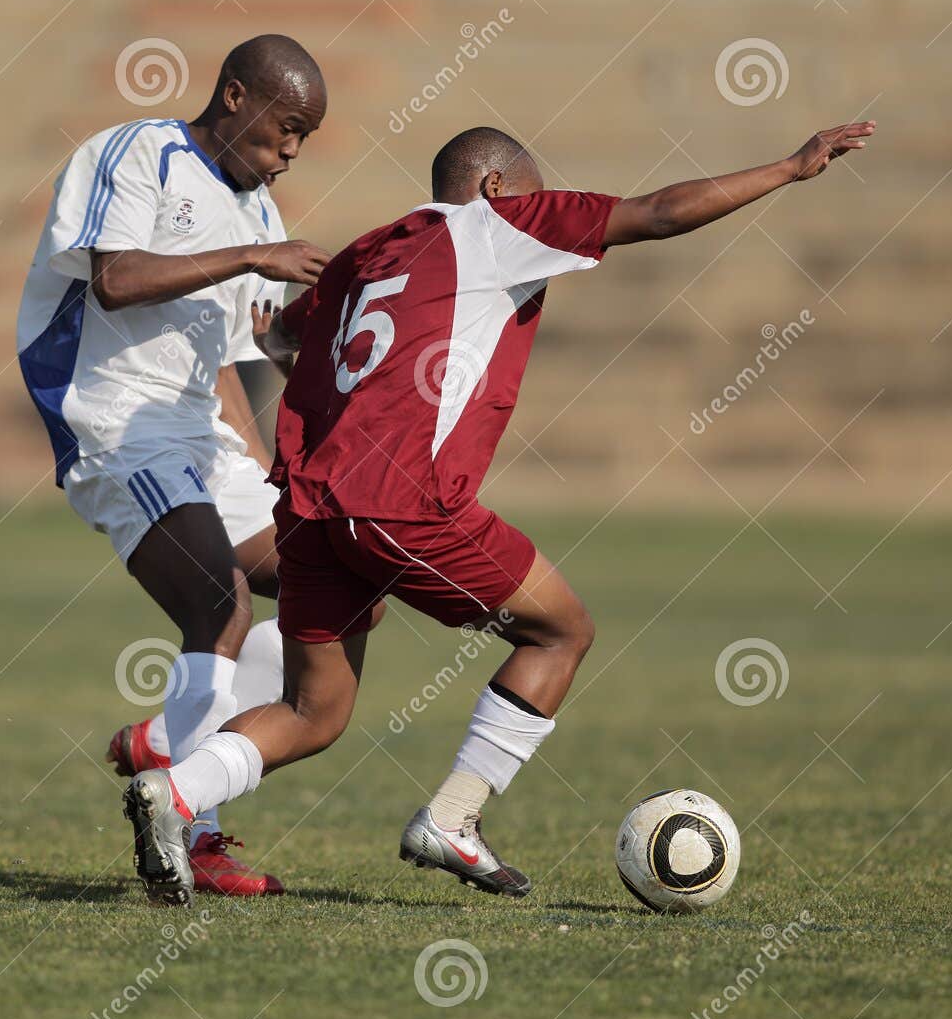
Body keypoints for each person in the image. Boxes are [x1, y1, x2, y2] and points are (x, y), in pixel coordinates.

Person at [121, 120, 878, 905]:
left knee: (312, 711)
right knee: (561, 632)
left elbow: (286, 337)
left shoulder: (369, 250)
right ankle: (453, 818)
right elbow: (657, 213)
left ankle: (174, 791)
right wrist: (788, 169)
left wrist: (292, 352)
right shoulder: (496, 225)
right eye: (528, 194)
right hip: (403, 501)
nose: (539, 216)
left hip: (313, 507)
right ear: (494, 189)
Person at [17, 34, 332, 895]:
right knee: (218, 604)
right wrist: (252, 258)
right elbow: (115, 279)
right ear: (235, 96)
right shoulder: (138, 153)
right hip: (115, 417)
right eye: (286, 127)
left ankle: (170, 735)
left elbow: (226, 359)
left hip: (199, 428)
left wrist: (266, 468)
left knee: (338, 584)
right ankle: (197, 836)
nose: (291, 151)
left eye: (304, 137)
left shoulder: (259, 213)